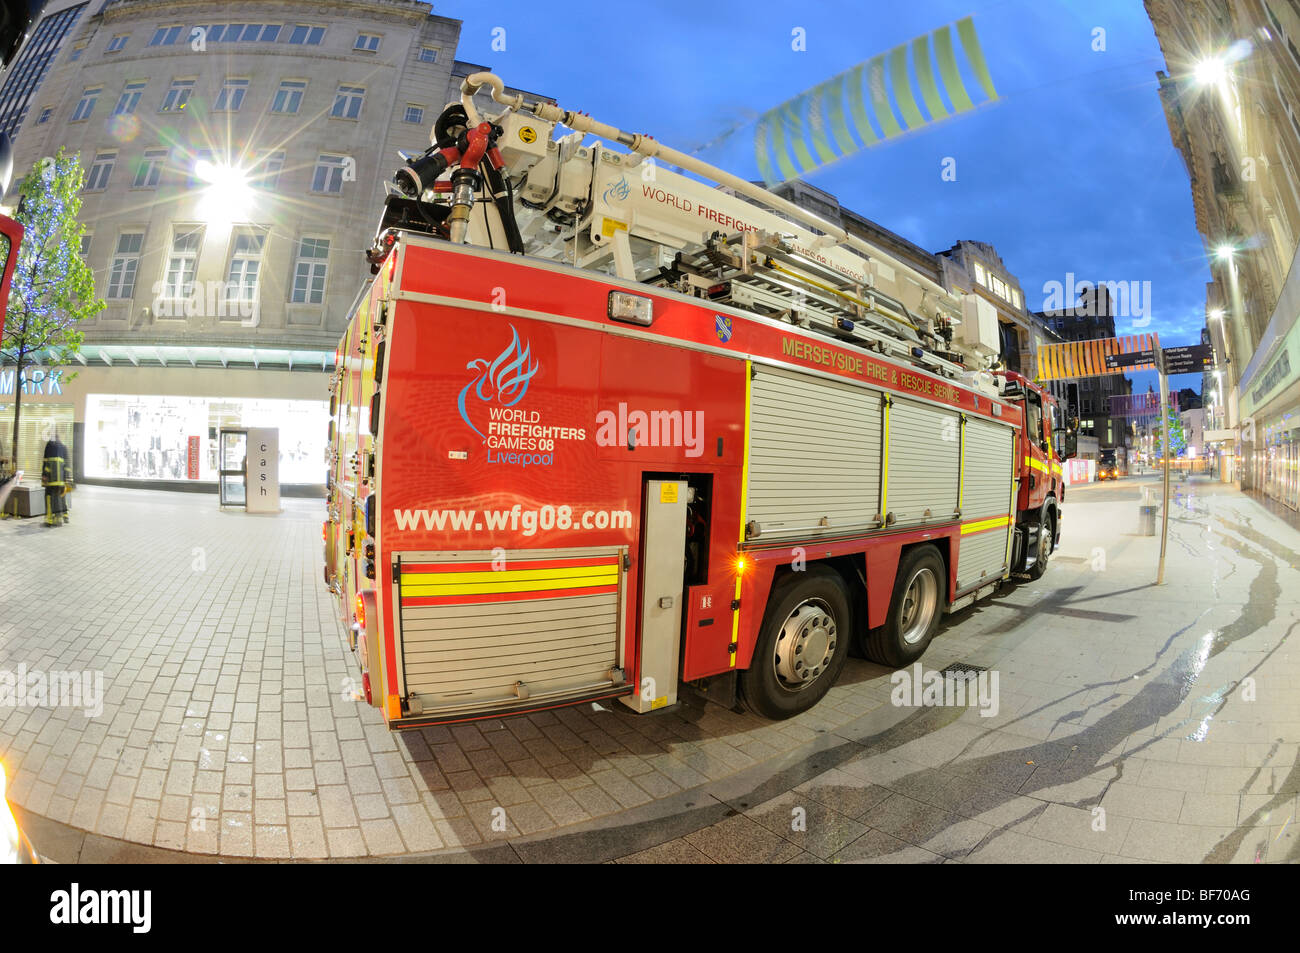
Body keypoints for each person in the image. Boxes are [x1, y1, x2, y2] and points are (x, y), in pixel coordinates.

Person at [42, 430, 71, 526]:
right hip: (61, 479)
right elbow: (67, 465)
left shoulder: (49, 445)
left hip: (51, 479)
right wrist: (67, 478)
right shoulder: (64, 447)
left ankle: (49, 520)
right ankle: (64, 517)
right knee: (61, 497)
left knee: (49, 497)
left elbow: (46, 462)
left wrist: (44, 475)